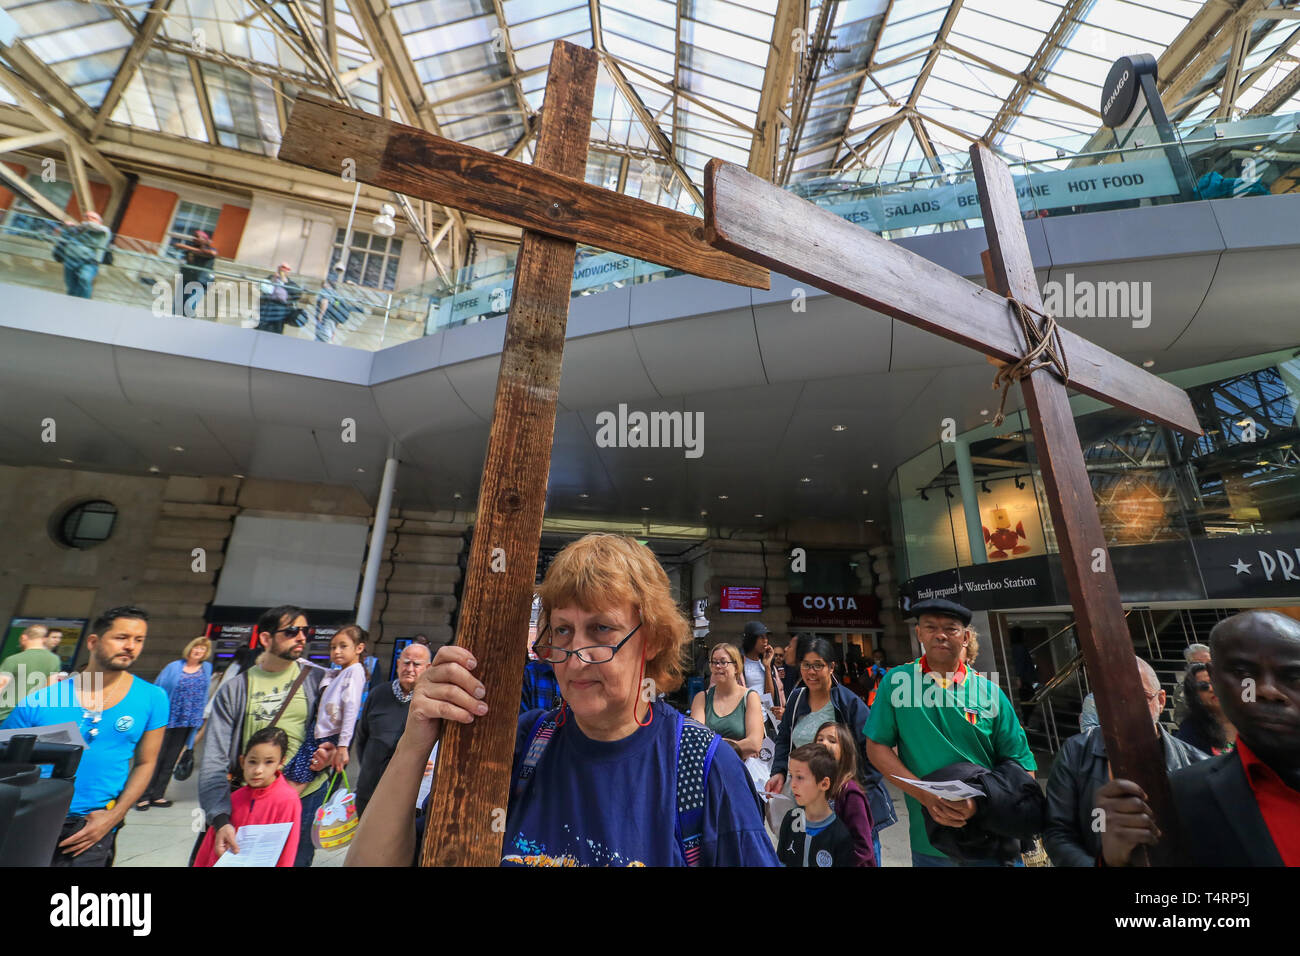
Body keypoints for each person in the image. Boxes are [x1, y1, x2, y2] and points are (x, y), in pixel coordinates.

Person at [347, 533, 779, 866]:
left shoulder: (702, 767)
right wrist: (415, 742)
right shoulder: (517, 746)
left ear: (651, 640)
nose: (574, 658)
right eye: (563, 631)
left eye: (601, 631)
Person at [1095, 610, 1300, 866]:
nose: (1269, 691)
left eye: (1293, 676)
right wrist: (1117, 862)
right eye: (1243, 673)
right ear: (1212, 678)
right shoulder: (1176, 800)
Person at [864, 597, 1036, 867]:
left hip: (990, 841)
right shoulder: (896, 683)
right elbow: (876, 746)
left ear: (966, 637)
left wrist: (983, 804)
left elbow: (1022, 765)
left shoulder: (989, 692)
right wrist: (924, 796)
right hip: (930, 843)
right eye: (930, 627)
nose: (940, 635)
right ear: (919, 633)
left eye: (951, 628)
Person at [1, 606, 166, 866]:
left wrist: (114, 817)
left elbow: (146, 763)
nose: (130, 647)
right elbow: (6, 761)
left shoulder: (153, 697)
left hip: (93, 826)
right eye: (121, 638)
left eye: (138, 640)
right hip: (32, 819)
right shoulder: (43, 699)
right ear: (93, 642)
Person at [1043, 656, 1207, 866]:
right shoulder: (1076, 753)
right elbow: (1058, 832)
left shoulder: (1195, 762)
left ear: (1161, 700)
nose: (1127, 708)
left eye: (1140, 697)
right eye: (1115, 699)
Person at [199, 605, 328, 868]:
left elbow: (333, 735)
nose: (301, 637)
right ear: (266, 639)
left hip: (304, 797)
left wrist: (328, 755)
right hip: (249, 798)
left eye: (305, 631)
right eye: (292, 631)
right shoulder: (236, 688)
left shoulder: (319, 680)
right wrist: (221, 818)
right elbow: (215, 759)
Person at [766, 636, 896, 857]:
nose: (811, 672)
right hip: (809, 804)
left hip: (845, 805)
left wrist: (854, 793)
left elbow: (873, 751)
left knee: (859, 856)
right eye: (806, 665)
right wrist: (778, 770)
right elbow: (784, 737)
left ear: (831, 667)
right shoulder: (797, 699)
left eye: (818, 665)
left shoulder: (849, 703)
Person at [193, 726, 301, 868]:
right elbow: (209, 844)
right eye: (252, 761)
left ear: (281, 762)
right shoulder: (234, 798)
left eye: (269, 762)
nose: (258, 770)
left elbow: (288, 851)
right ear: (243, 761)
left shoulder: (288, 800)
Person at [353, 640, 432, 814]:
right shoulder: (378, 694)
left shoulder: (430, 703)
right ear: (398, 664)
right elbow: (362, 738)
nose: (410, 669)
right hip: (369, 789)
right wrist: (369, 767)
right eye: (406, 662)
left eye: (417, 664)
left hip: (407, 797)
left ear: (428, 668)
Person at [140, 636, 214, 808]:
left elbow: (204, 694)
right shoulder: (173, 667)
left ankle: (158, 794)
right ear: (190, 648)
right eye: (196, 648)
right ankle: (143, 794)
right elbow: (158, 688)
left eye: (202, 649)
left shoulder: (207, 668)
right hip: (167, 717)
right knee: (155, 757)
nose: (198, 651)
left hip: (187, 720)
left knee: (171, 759)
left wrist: (200, 718)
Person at [295, 624, 367, 778]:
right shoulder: (343, 672)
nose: (336, 651)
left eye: (343, 646)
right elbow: (324, 671)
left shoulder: (354, 671)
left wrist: (343, 745)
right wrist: (300, 660)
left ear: (359, 648)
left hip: (329, 734)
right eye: (333, 647)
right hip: (323, 731)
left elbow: (351, 708)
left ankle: (287, 802)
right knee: (303, 773)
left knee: (300, 774)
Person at [776, 743, 858, 867]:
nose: (792, 784)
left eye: (800, 777)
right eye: (791, 776)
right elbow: (780, 862)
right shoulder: (791, 819)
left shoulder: (840, 835)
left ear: (824, 784)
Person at [814, 721, 877, 866]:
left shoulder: (850, 793)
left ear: (845, 751)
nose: (824, 743)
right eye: (819, 739)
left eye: (832, 740)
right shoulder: (817, 789)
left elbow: (863, 847)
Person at [690, 642, 764, 758]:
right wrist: (735, 744)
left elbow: (754, 744)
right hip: (709, 769)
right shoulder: (701, 698)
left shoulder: (750, 697)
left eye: (723, 662)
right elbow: (696, 739)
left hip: (738, 768)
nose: (718, 666)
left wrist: (714, 744)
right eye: (714, 662)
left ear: (736, 667)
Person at [0, 624, 59, 723]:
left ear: (24, 638)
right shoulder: (54, 660)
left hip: (6, 715)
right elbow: (50, 690)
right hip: (31, 715)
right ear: (44, 639)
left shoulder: (13, 659)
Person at [1173, 662, 1236, 755]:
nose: (1211, 688)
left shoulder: (1252, 716)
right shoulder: (1190, 730)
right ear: (1195, 695)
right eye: (1203, 686)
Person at [55, 211, 113, 298]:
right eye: (87, 217)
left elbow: (91, 226)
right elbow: (64, 236)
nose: (89, 219)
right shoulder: (77, 229)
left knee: (84, 279)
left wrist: (79, 226)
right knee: (71, 286)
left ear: (100, 222)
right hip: (70, 259)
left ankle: (85, 301)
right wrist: (67, 227)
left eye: (93, 218)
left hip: (89, 262)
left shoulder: (104, 230)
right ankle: (72, 305)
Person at [175, 229, 219, 317]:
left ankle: (188, 322)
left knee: (189, 305)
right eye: (195, 236)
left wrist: (200, 246)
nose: (195, 238)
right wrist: (193, 250)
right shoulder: (190, 247)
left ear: (205, 239)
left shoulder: (210, 249)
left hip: (200, 282)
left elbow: (212, 253)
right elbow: (177, 245)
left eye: (198, 237)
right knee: (177, 307)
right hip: (186, 279)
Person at [1173, 642, 1212, 725]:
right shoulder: (1185, 687)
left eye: (1209, 661)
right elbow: (1181, 718)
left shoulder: (1221, 680)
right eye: (1199, 662)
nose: (1205, 665)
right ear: (1189, 663)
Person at [256, 263, 299, 333]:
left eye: (286, 269)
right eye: (281, 268)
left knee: (274, 333)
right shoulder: (271, 278)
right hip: (264, 310)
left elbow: (297, 294)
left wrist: (285, 283)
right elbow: (261, 286)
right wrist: (273, 279)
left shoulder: (290, 283)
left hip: (279, 313)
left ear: (288, 272)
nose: (283, 270)